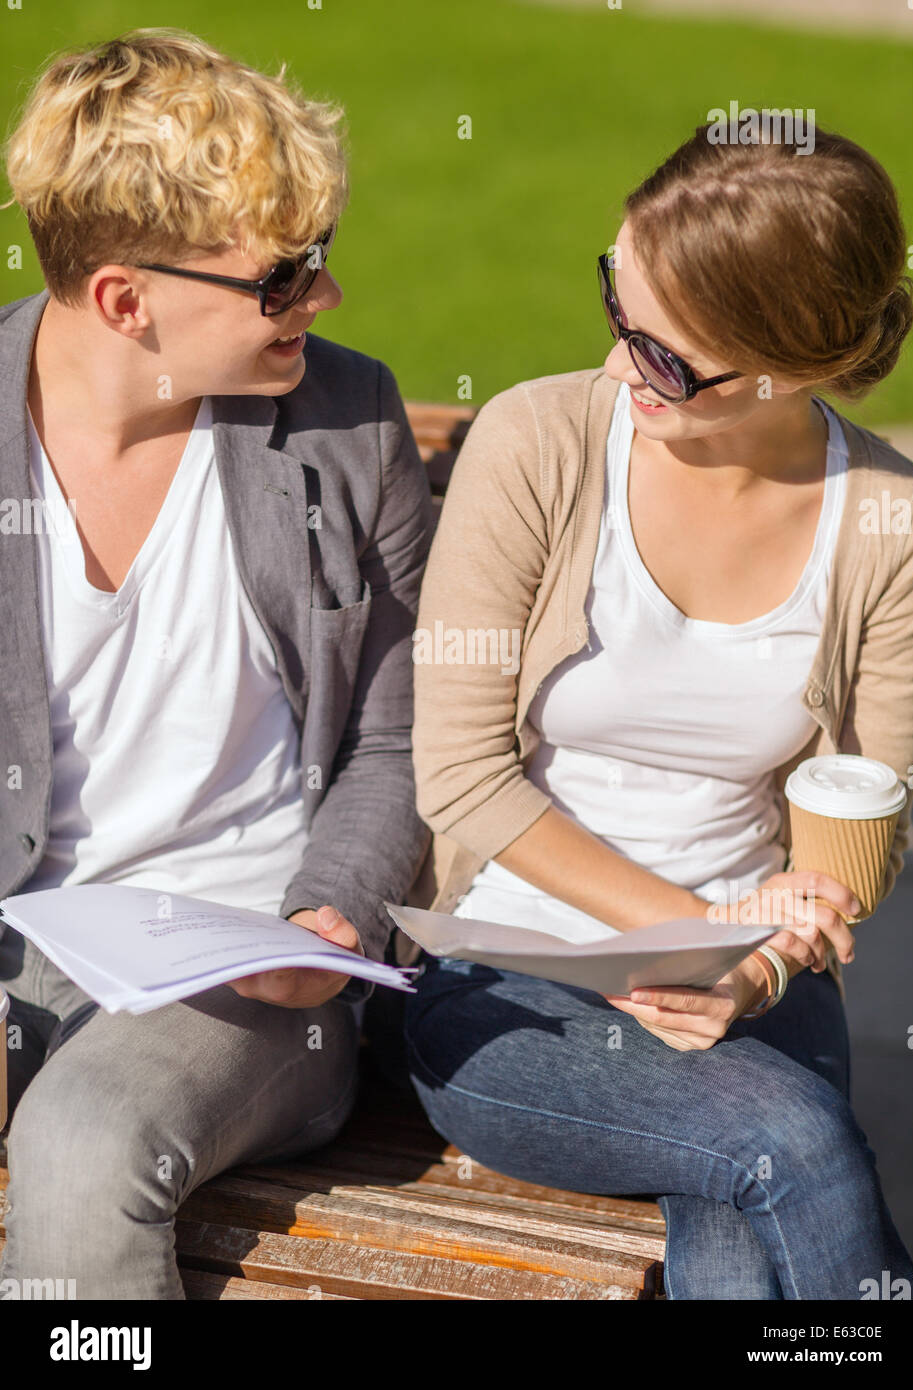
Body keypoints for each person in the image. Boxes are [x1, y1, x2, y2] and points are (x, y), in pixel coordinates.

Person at [405, 118, 913, 1299]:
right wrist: (693, 930)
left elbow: (861, 818)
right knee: (787, 1143)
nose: (614, 369)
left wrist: (750, 966)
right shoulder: (536, 442)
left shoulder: (891, 519)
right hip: (513, 976)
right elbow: (458, 775)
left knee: (748, 1227)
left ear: (784, 371)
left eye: (664, 358)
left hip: (759, 986)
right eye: (615, 308)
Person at [0, 28, 432, 1299]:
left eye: (317, 260)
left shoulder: (347, 425)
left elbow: (402, 735)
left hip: (246, 963)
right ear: (126, 300)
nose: (323, 300)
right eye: (281, 278)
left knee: (80, 1147)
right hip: (25, 938)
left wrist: (333, 914)